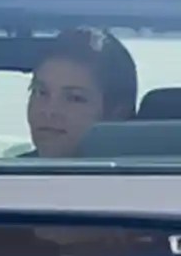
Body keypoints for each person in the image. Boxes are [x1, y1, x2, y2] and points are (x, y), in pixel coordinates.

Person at [26, 26, 138, 158]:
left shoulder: (147, 178)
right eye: (41, 92)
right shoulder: (5, 175)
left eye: (74, 98)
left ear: (116, 113)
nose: (49, 111)